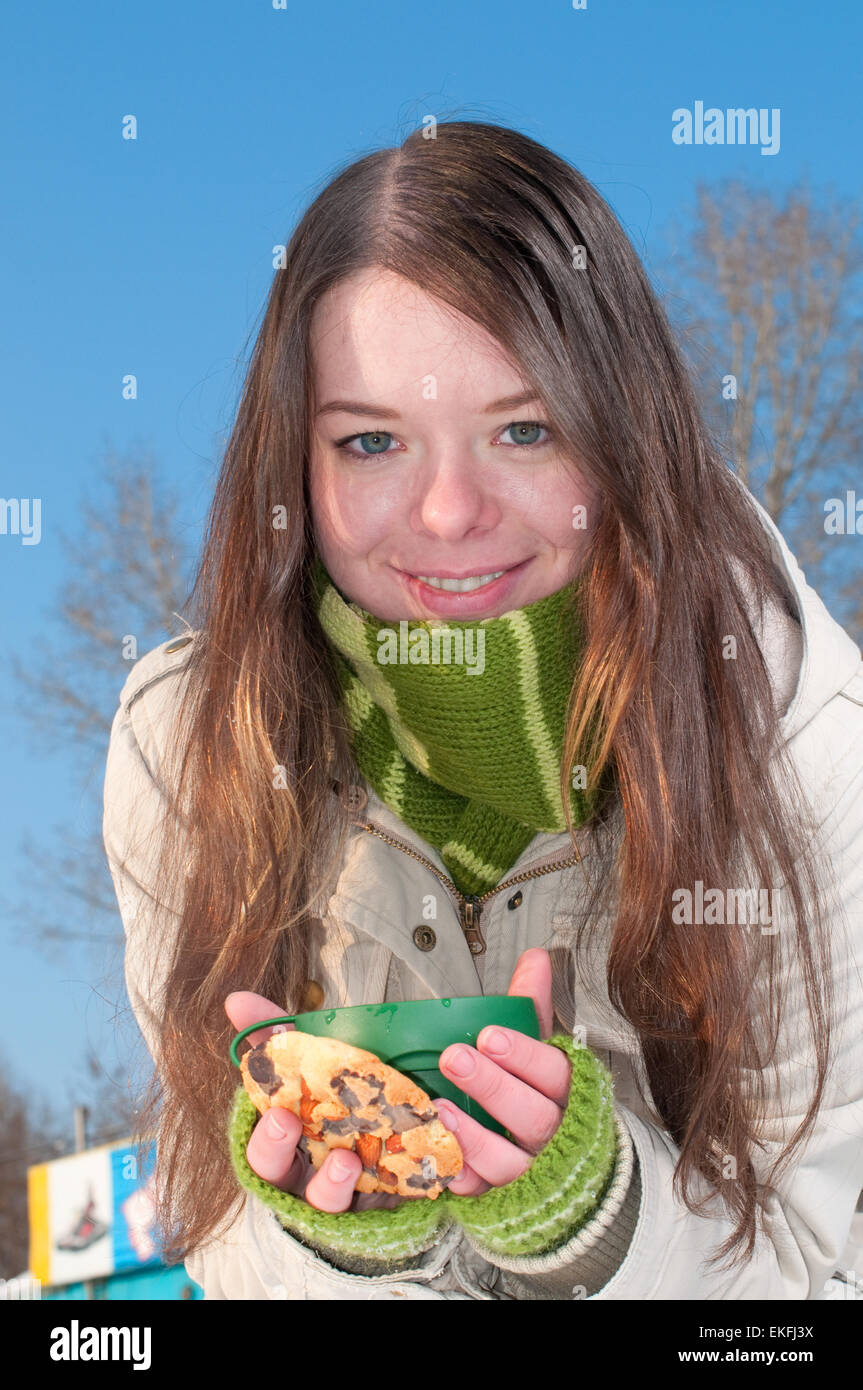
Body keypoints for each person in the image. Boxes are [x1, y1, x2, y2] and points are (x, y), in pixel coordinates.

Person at [102, 120, 863, 1301]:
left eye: (522, 428)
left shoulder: (796, 741)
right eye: (369, 441)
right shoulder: (189, 749)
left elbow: (810, 1287)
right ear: (293, 469)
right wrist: (343, 1245)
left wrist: (596, 1218)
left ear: (619, 432)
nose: (448, 511)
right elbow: (223, 1238)